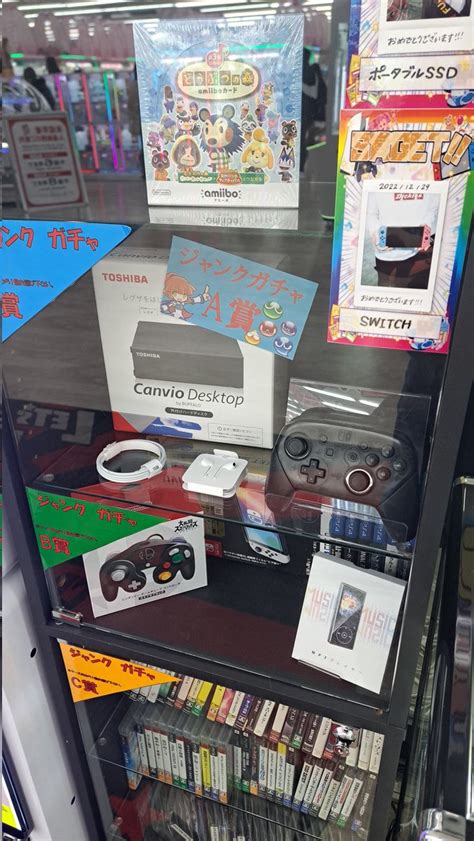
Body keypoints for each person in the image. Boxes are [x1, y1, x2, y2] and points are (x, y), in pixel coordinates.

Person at [300, 49, 327, 174]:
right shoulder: (313, 71)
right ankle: (301, 167)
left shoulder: (306, 72)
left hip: (303, 112)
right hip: (309, 113)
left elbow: (312, 92)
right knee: (302, 140)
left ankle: (299, 167)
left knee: (299, 140)